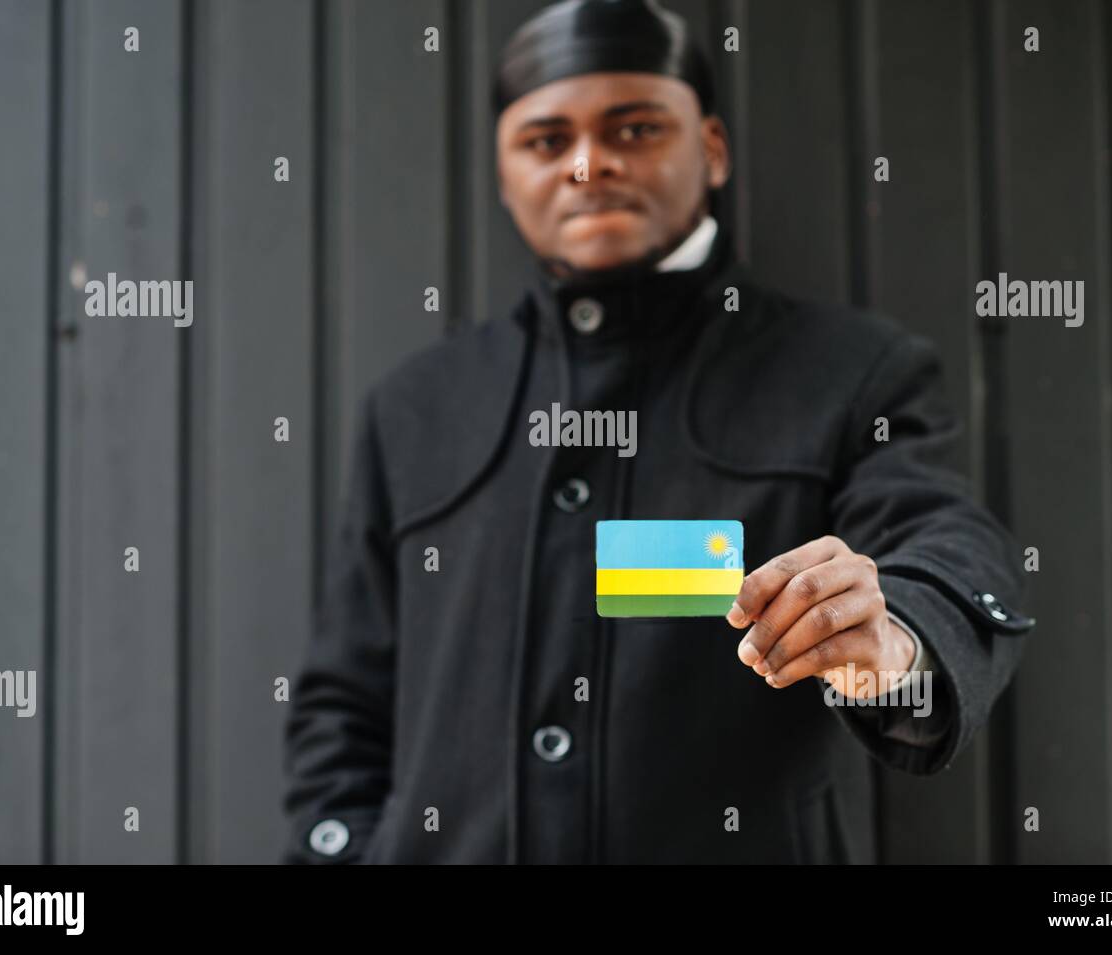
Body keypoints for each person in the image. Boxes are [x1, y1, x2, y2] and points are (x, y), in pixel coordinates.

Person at [282, 0, 1035, 864]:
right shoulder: (414, 408)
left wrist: (894, 637)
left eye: (635, 129)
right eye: (545, 141)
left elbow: (948, 541)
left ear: (710, 148)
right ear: (503, 173)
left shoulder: (849, 369)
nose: (590, 164)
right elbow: (340, 705)